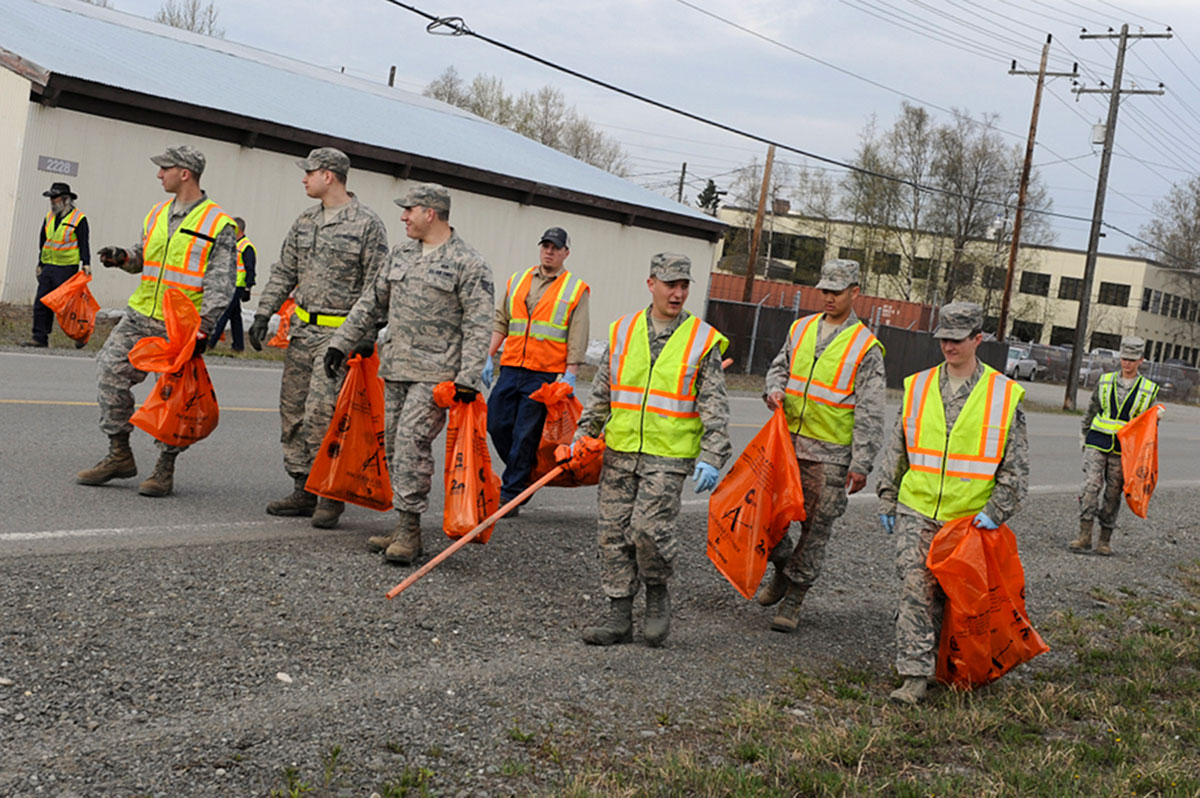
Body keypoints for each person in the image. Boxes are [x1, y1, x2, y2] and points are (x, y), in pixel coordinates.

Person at [324, 183, 493, 562]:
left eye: (409, 210)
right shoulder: (400, 254)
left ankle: (410, 532)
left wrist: (468, 377)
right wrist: (341, 342)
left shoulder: (468, 263)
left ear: (430, 213)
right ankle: (402, 523)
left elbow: (479, 323)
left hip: (436, 375)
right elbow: (371, 303)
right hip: (397, 367)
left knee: (411, 443)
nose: (403, 217)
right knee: (394, 447)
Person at [574, 253, 731, 648]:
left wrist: (713, 455)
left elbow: (715, 405)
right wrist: (584, 433)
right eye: (670, 284)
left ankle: (658, 592)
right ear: (651, 284)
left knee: (647, 530)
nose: (677, 293)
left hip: (668, 456)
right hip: (620, 450)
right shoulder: (624, 331)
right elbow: (603, 391)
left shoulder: (701, 340)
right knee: (612, 533)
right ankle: (619, 616)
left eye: (684, 285)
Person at [876, 302, 1028, 705]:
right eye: (943, 338)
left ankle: (951, 664)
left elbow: (1015, 468)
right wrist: (887, 494)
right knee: (915, 585)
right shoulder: (919, 386)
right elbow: (898, 447)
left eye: (957, 339)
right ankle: (914, 675)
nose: (948, 346)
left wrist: (995, 511)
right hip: (917, 508)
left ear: (978, 339)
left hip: (968, 520)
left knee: (955, 596)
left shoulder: (1003, 395)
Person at [79, 145, 236, 497]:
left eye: (165, 168)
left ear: (185, 173)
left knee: (172, 398)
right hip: (140, 314)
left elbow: (221, 282)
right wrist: (124, 257)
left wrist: (205, 326)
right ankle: (119, 454)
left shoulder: (218, 223)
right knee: (110, 372)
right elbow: (144, 258)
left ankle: (165, 468)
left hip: (180, 324)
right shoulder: (157, 213)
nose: (158, 174)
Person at [247, 148, 389, 529]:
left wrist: (366, 334)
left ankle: (330, 493)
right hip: (302, 331)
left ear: (329, 175)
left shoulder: (367, 224)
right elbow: (285, 269)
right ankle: (303, 487)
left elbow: (378, 286)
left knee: (323, 414)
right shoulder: (305, 220)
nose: (303, 179)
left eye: (309, 172)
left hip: (339, 335)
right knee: (292, 411)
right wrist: (263, 313)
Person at [759, 259, 886, 632]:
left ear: (854, 292)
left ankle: (794, 598)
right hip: (787, 445)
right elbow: (779, 367)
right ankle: (783, 566)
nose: (829, 297)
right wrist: (774, 389)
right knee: (767, 516)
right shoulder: (800, 329)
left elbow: (870, 410)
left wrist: (861, 463)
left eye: (837, 291)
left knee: (816, 530)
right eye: (825, 290)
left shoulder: (866, 347)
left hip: (830, 456)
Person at [485, 227, 590, 513]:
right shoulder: (518, 280)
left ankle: (511, 494)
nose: (549, 252)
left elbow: (577, 334)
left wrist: (570, 374)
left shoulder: (575, 289)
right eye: (546, 246)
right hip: (511, 367)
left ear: (566, 253)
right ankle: (526, 473)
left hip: (544, 373)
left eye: (556, 248)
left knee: (525, 435)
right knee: (496, 423)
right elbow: (501, 320)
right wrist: (488, 355)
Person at [1070, 336, 1159, 556]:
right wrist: (1083, 434)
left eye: (1132, 359)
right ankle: (1084, 535)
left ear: (1141, 360)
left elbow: (1148, 425)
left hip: (1123, 450)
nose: (1127, 363)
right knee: (1090, 486)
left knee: (1113, 492)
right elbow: (1092, 409)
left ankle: (1104, 539)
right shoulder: (1105, 381)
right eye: (1124, 358)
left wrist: (1157, 418)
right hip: (1097, 441)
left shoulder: (1148, 389)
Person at [23, 182, 91, 349]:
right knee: (41, 302)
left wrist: (86, 263)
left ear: (66, 199)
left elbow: (84, 243)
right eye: (51, 198)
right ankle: (39, 338)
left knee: (68, 307)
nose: (52, 201)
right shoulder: (49, 217)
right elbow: (43, 242)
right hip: (48, 267)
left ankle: (81, 334)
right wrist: (40, 263)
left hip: (67, 268)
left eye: (55, 198)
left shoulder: (79, 219)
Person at [211, 217, 256, 351]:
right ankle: (238, 346)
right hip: (228, 284)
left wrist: (248, 287)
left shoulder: (246, 247)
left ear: (238, 230)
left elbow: (250, 268)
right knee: (235, 316)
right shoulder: (232, 244)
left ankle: (210, 343)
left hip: (237, 285)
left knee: (223, 313)